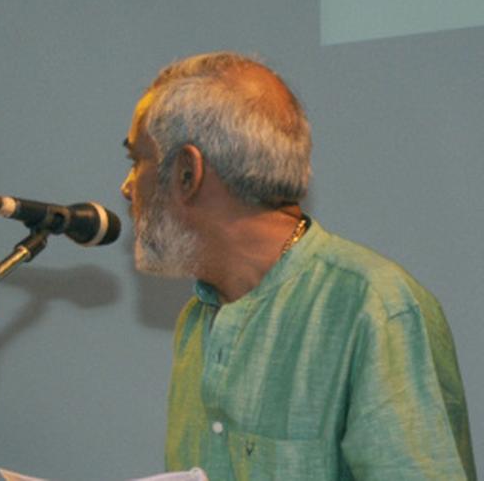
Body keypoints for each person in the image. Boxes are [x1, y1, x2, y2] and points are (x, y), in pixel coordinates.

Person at [120, 52, 476, 480]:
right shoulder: (196, 320)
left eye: (136, 161)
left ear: (186, 173)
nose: (126, 188)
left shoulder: (374, 308)